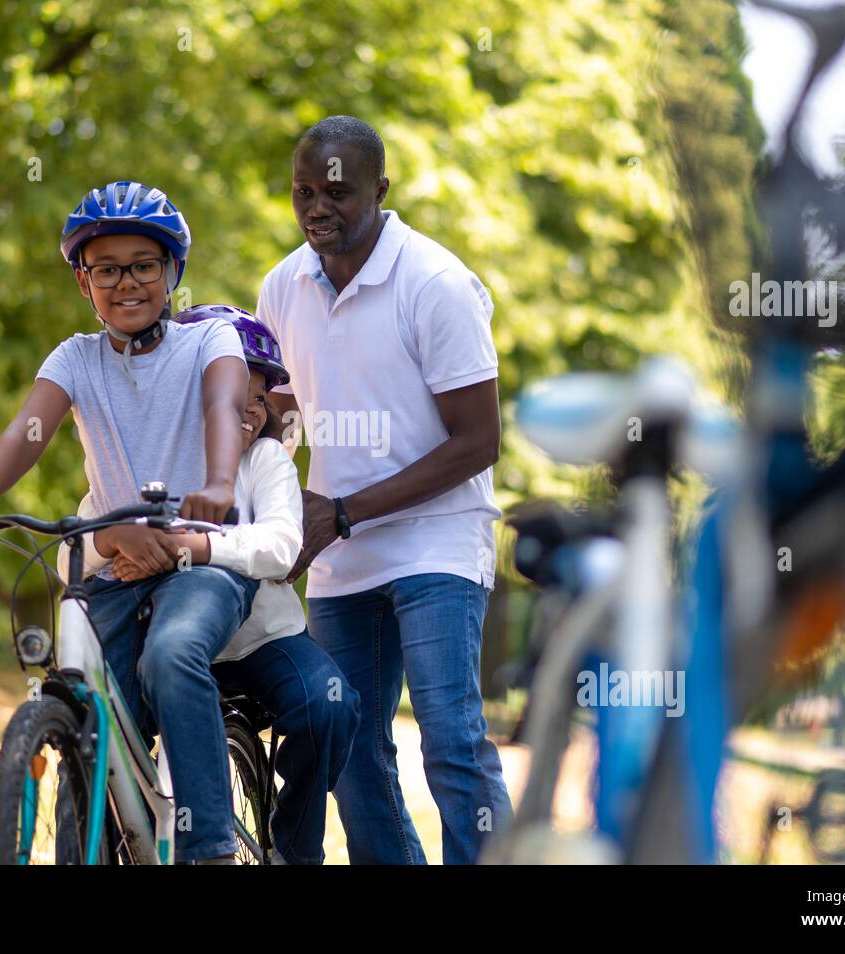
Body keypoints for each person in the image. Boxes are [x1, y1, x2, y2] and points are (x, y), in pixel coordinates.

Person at [0, 180, 255, 863]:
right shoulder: (75, 358)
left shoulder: (209, 341)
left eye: (144, 264)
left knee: (171, 654)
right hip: (116, 567)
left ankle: (210, 847)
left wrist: (220, 483)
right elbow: (29, 430)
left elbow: (225, 406)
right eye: (107, 268)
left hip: (202, 559)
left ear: (172, 274)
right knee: (80, 694)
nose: (126, 281)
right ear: (84, 281)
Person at [256, 116, 513, 864]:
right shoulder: (283, 285)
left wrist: (339, 512)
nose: (316, 207)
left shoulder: (435, 284)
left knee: (452, 741)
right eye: (302, 191)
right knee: (351, 752)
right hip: (341, 554)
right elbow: (279, 415)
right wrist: (273, 509)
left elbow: (477, 441)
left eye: (335, 191)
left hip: (437, 543)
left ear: (380, 188)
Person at [62, 304, 359, 865]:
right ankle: (124, 838)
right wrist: (112, 544)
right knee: (103, 728)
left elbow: (279, 546)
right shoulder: (149, 460)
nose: (246, 410)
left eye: (257, 398)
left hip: (259, 642)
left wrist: (190, 548)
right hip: (164, 644)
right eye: (230, 396)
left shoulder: (266, 460)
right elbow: (70, 553)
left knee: (329, 704)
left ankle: (292, 849)